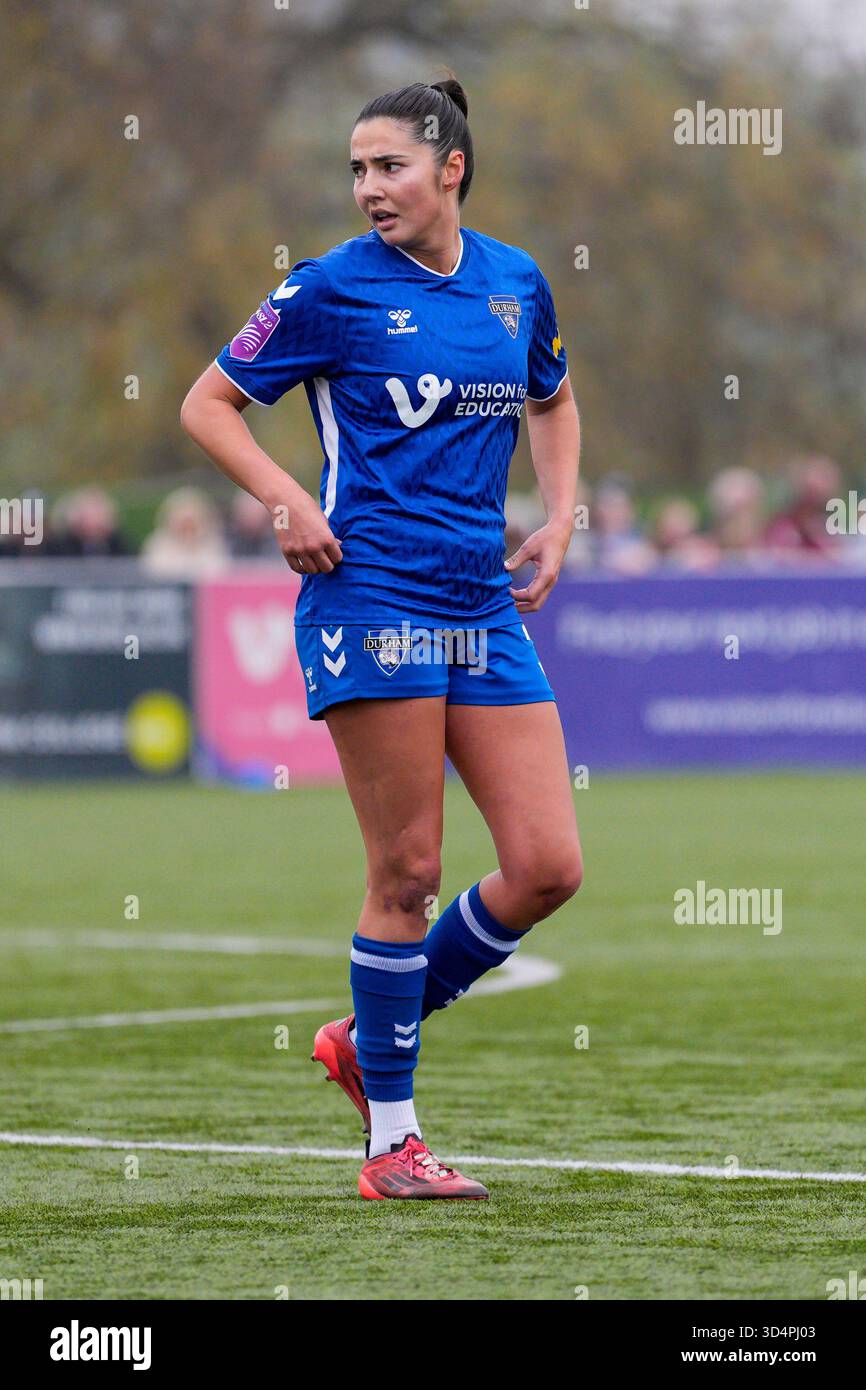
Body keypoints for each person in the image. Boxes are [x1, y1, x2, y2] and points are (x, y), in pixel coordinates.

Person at [181, 74, 582, 1201]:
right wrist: (282, 500)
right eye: (355, 170)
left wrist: (556, 517)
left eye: (389, 166)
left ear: (449, 167)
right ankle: (390, 1140)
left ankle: (368, 1039)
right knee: (406, 871)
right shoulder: (325, 290)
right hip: (372, 599)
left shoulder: (513, 284)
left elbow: (550, 396)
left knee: (548, 864)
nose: (368, 188)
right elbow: (206, 402)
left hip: (479, 605)